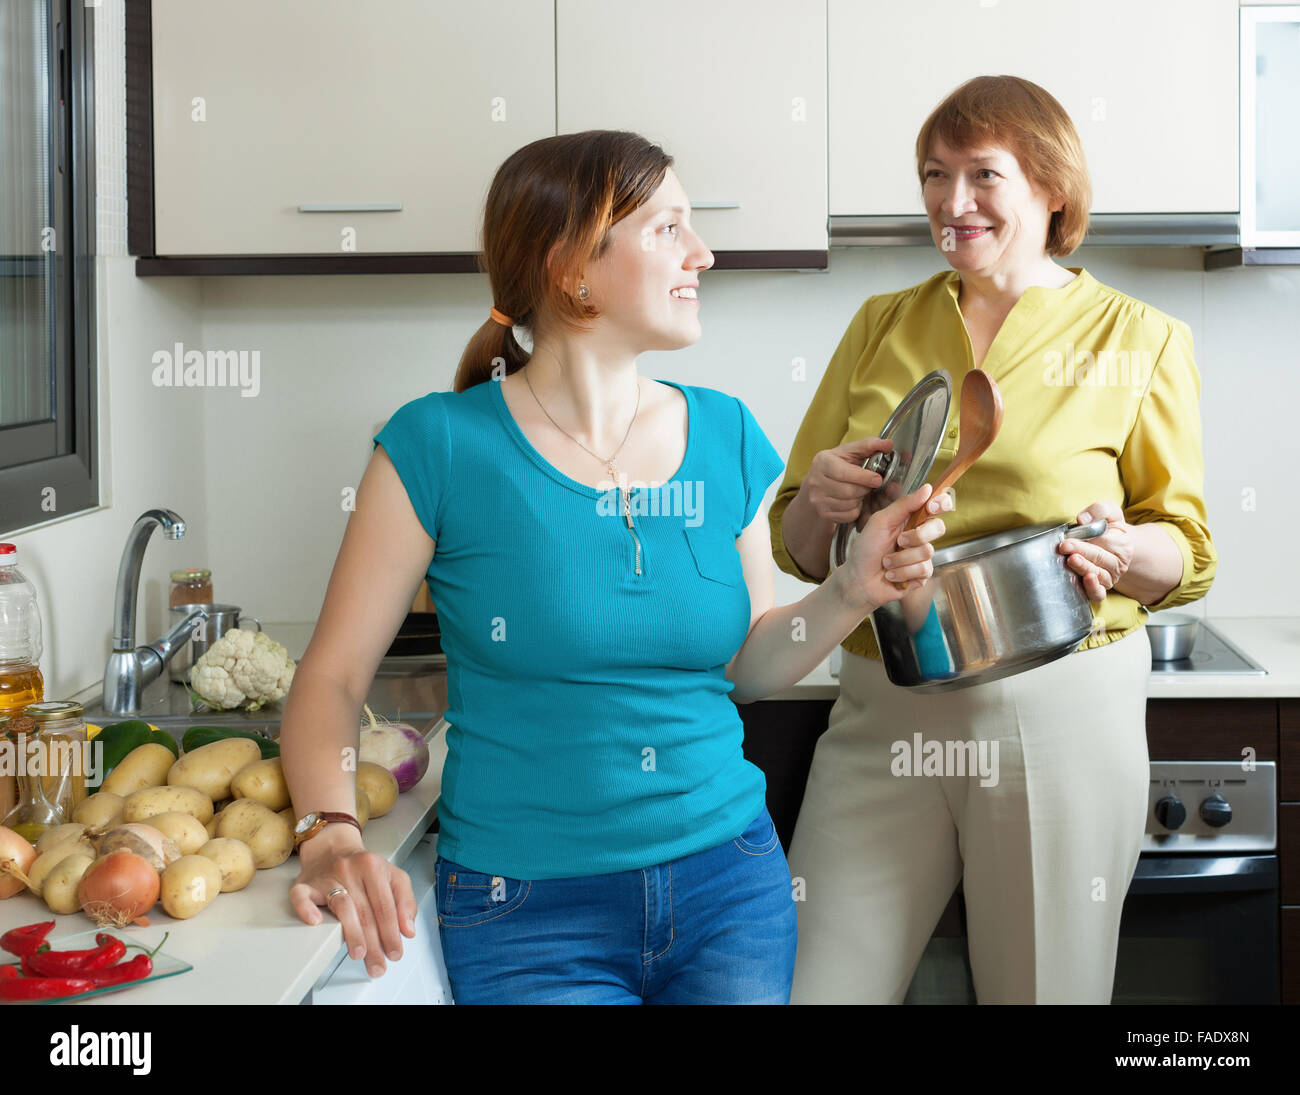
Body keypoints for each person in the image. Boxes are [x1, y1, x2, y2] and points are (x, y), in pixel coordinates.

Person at [279, 130, 954, 1004]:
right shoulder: (436, 445)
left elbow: (750, 664)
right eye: (670, 227)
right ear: (573, 268)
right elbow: (331, 678)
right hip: (526, 912)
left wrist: (849, 589)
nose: (703, 253)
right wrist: (330, 833)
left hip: (731, 888)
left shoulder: (728, 433)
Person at [770, 76, 1217, 1004]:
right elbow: (800, 545)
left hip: (1055, 703)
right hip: (883, 697)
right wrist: (819, 493)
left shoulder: (1140, 337)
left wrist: (1123, 550)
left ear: (1053, 189)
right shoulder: (881, 323)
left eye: (984, 174)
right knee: (811, 985)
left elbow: (1185, 549)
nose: (952, 200)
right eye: (936, 175)